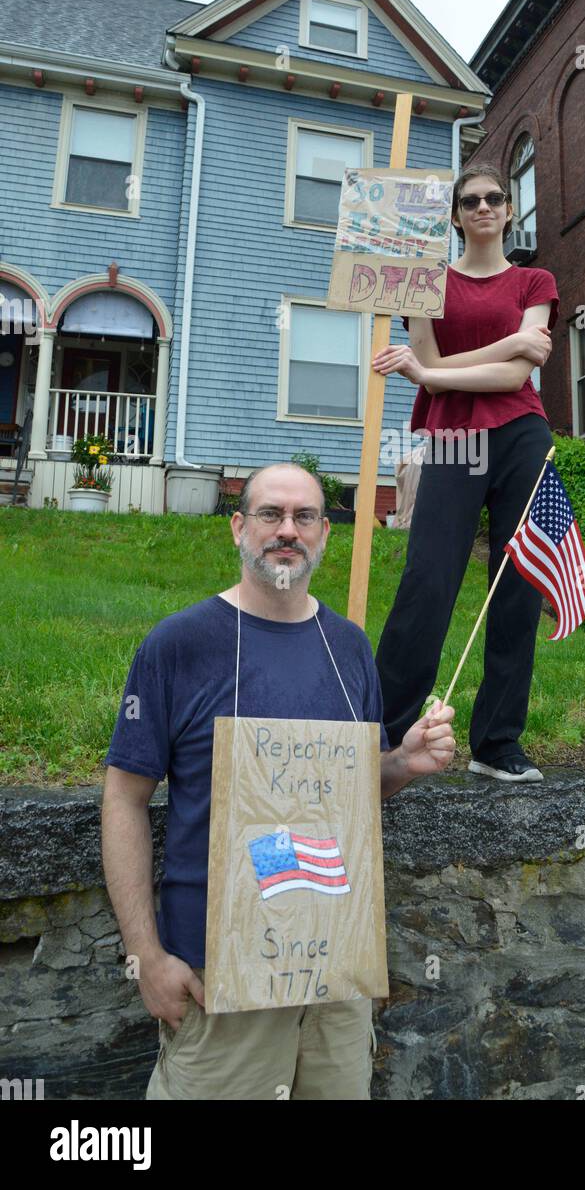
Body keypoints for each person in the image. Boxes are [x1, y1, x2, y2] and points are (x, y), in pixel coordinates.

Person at [101, 462, 455, 1101]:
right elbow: (124, 800)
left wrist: (404, 762)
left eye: (305, 516)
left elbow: (349, 792)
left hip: (334, 972)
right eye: (270, 513)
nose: (287, 529)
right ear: (239, 528)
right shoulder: (178, 645)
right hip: (221, 972)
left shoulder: (350, 649)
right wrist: (145, 957)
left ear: (324, 534)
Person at [371, 164, 559, 782]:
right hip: (455, 437)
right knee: (429, 577)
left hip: (522, 434)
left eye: (494, 198)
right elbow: (438, 369)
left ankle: (497, 744)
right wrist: (503, 347)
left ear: (508, 210)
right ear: (454, 215)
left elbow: (514, 374)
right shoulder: (422, 280)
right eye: (470, 200)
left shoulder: (534, 280)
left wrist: (432, 373)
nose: (483, 207)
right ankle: (382, 731)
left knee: (518, 584)